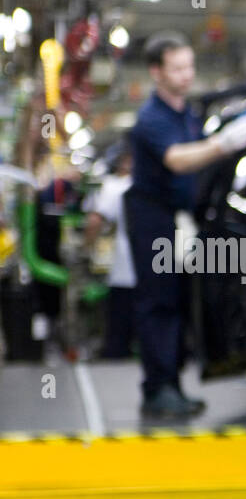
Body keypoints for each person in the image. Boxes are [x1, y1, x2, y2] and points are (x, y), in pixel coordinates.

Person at [125, 31, 246, 419]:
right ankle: (157, 389)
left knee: (180, 301)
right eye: (177, 68)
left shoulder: (187, 114)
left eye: (190, 66)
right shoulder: (151, 118)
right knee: (158, 302)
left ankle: (174, 385)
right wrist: (222, 143)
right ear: (156, 72)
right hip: (152, 216)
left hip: (180, 217)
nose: (186, 75)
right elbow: (177, 160)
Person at [83, 144, 135, 358]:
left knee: (121, 310)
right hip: (154, 259)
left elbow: (95, 220)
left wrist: (87, 248)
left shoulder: (114, 186)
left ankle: (116, 350)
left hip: (127, 263)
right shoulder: (145, 185)